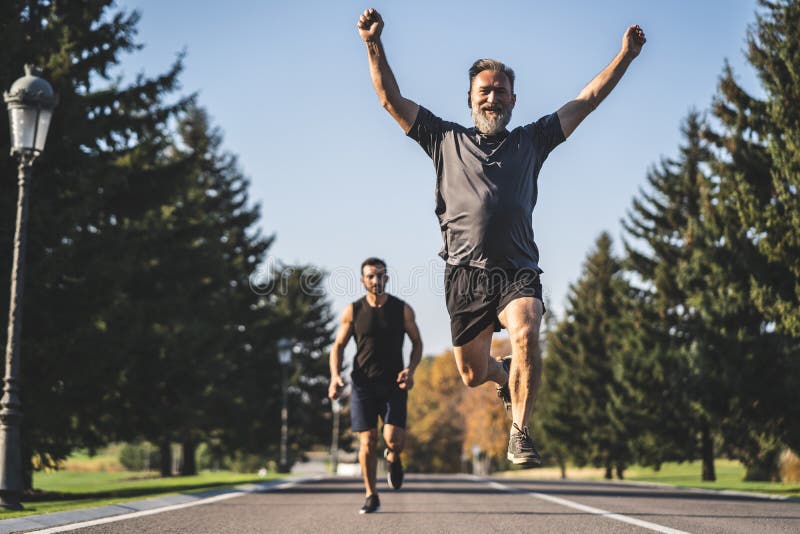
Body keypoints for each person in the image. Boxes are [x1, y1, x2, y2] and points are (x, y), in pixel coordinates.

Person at [357, 8, 645, 467]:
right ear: (471, 99)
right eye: (484, 91)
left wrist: (625, 56)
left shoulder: (534, 140)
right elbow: (391, 100)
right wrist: (373, 43)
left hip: (517, 270)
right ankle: (502, 374)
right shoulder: (443, 138)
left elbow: (586, 100)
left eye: (501, 91)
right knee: (472, 373)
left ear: (514, 99)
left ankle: (520, 432)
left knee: (527, 329)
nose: (493, 98)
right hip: (464, 274)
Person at [329, 257, 423, 514]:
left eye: (380, 275)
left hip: (394, 384)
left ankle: (393, 457)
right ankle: (371, 494)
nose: (376, 280)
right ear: (363, 281)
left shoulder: (402, 309)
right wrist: (335, 376)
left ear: (387, 278)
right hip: (362, 384)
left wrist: (410, 370)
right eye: (370, 276)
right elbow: (338, 346)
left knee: (394, 439)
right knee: (368, 440)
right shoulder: (353, 311)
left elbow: (417, 343)